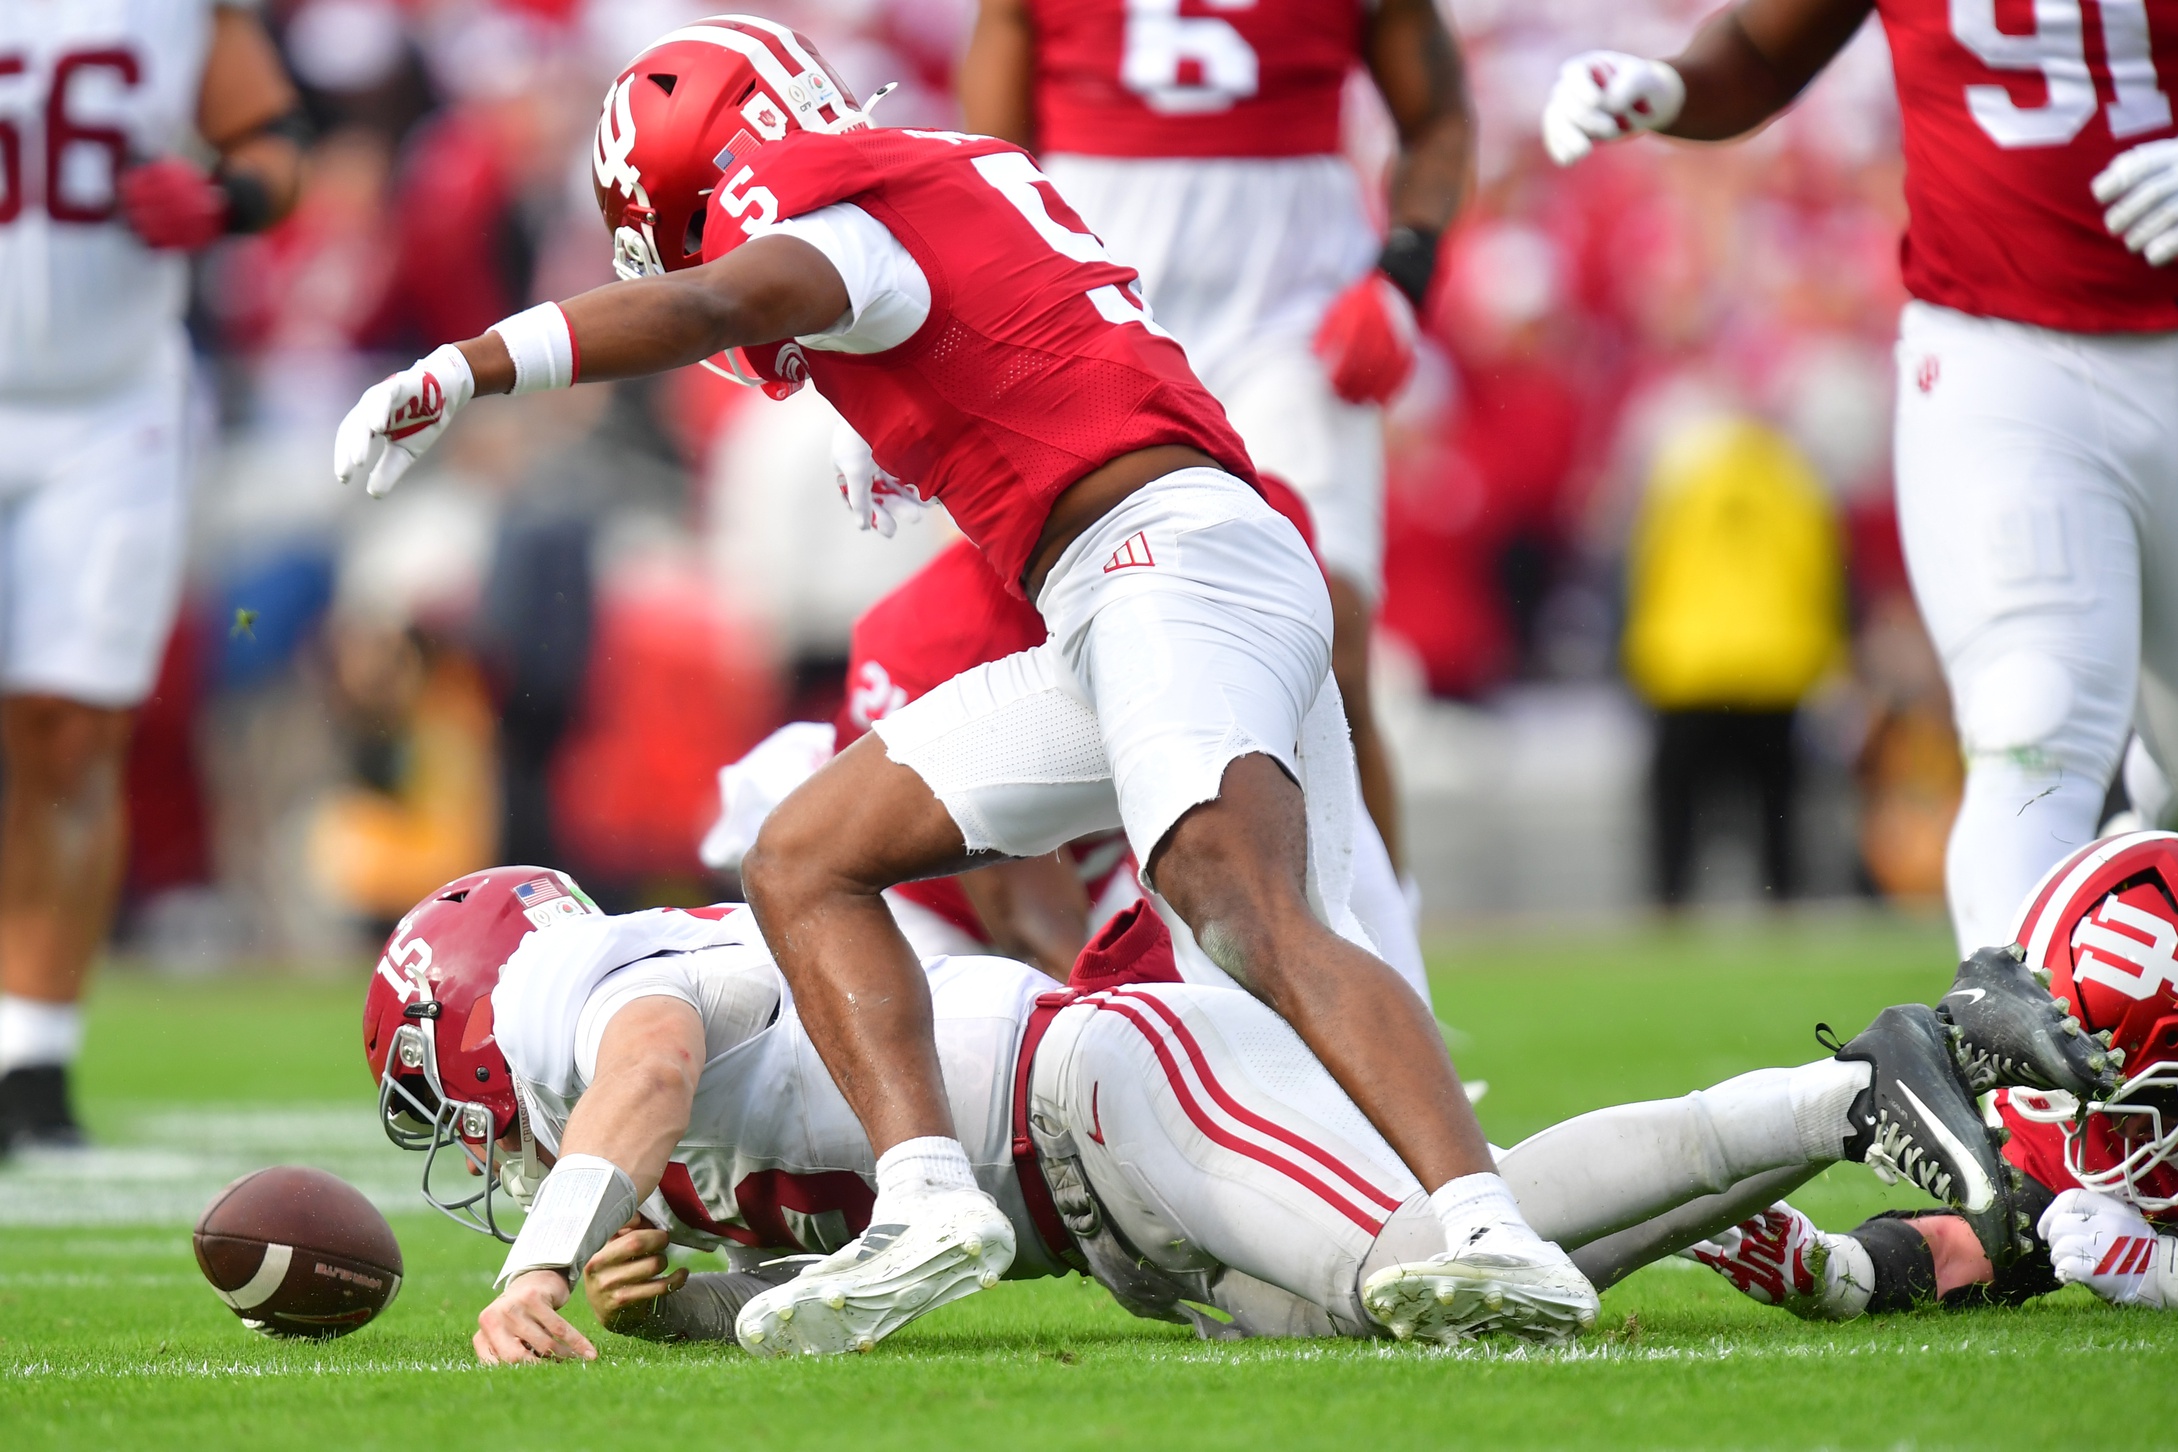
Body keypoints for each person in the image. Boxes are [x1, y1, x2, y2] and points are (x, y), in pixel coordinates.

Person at [334, 17, 1586, 1353]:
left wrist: (468, 365)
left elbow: (713, 305)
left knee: (1247, 909)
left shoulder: (841, 214)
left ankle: (1489, 1227)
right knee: (804, 856)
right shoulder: (930, 180)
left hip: (1164, 562)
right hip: (1128, 587)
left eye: (697, 229)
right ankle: (929, 1202)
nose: (706, 257)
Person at [360, 863, 2066, 1362]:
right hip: (1100, 1219)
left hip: (1103, 1092)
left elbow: (655, 1059)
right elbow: (843, 1259)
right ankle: (1868, 1234)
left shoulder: (582, 993)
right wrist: (678, 1307)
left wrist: (541, 1261)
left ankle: (1863, 1079)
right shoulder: (629, 1124)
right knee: (1428, 1303)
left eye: (447, 1097)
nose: (478, 1140)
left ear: (479, 1009)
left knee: (1413, 1273)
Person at [1540, 0, 2178, 959]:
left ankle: (2134, 917)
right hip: (2003, 355)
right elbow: (1759, 51)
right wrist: (1670, 86)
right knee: (2032, 726)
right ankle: (2018, 1046)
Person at [957, 0, 1475, 874]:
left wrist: (1404, 270)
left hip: (1291, 311)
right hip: (1098, 304)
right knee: (1043, 644)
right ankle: (1085, 938)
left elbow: (1439, 118)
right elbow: (987, 162)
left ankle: (1380, 938)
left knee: (1328, 642)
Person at [702, 488, 1431, 997]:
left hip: (1112, 840)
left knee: (1323, 864)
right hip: (937, 892)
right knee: (1022, 1056)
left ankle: (1422, 1120)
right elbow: (1036, 926)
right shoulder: (947, 634)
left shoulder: (1237, 521)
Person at [0, 0, 303, 1150]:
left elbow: (273, 147)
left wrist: (224, 202)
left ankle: (30, 1053)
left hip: (107, 408)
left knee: (72, 727)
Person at [1692, 831, 2178, 1317]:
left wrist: (2159, 1271)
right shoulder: (2083, 1126)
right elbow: (1971, 1248)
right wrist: (1830, 1269)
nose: (2115, 1130)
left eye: (2148, 1099)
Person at [1621, 416, 1845, 905]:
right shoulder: (1793, 481)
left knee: (1677, 815)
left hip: (1689, 666)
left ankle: (1670, 908)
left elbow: (1646, 561)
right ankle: (1784, 905)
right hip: (1774, 664)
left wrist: (1640, 651)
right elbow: (1819, 569)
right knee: (1777, 813)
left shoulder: (1679, 480)